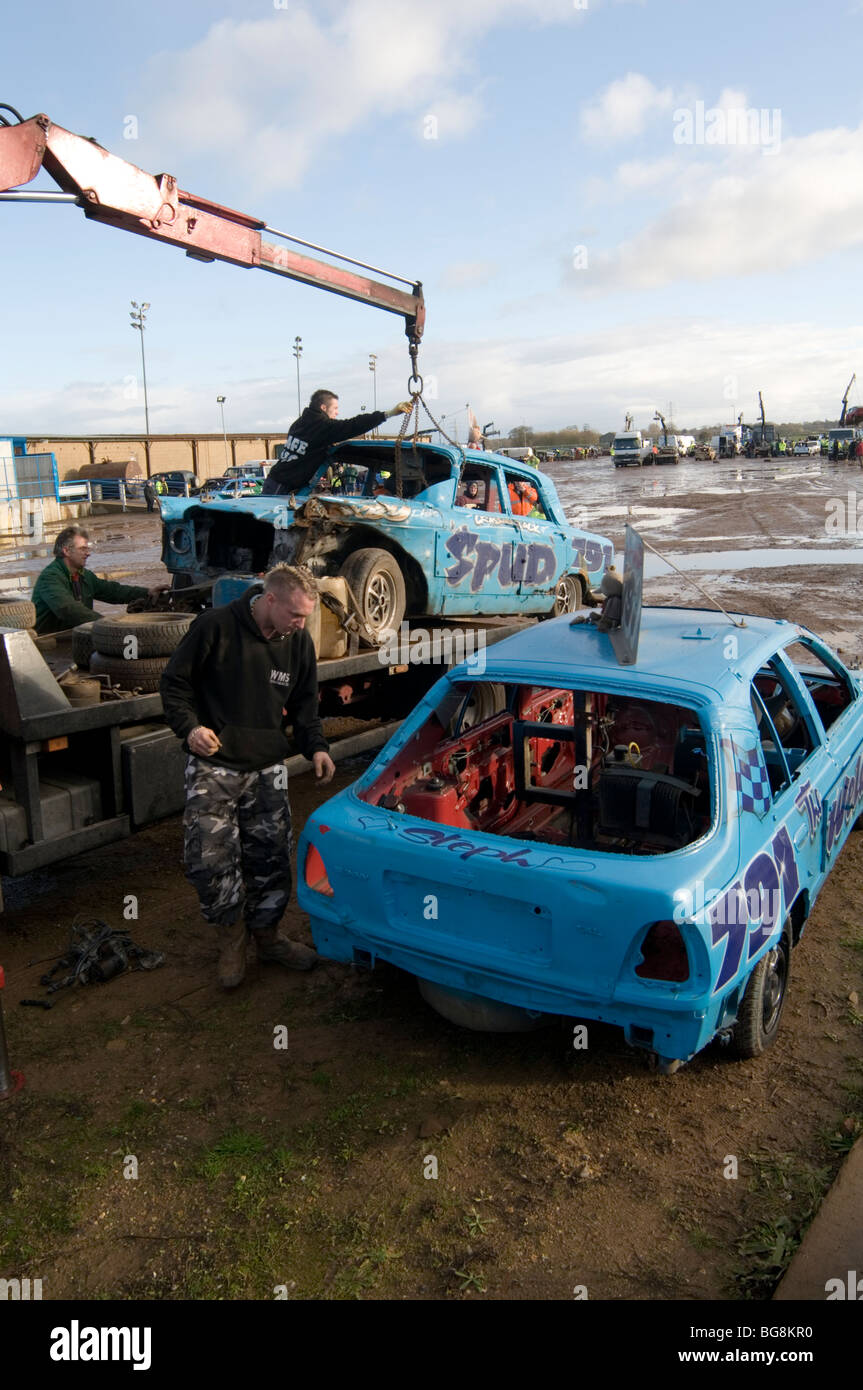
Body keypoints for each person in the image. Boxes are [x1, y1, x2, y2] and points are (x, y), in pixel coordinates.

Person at [160, 564, 337, 990]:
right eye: (295, 614)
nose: (301, 623)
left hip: (266, 770)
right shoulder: (215, 627)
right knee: (210, 860)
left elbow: (304, 706)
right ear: (269, 599)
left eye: (306, 616)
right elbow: (174, 685)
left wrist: (316, 747)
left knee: (271, 859)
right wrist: (190, 729)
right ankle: (231, 941)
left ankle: (269, 938)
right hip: (214, 766)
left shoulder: (298, 643)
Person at [261, 389, 412, 496]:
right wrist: (389, 414)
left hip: (276, 481)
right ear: (323, 407)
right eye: (335, 408)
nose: (337, 413)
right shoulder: (321, 427)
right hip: (282, 487)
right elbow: (353, 425)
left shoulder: (299, 423)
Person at [32, 525, 164, 635]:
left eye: (87, 549)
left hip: (75, 635)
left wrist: (147, 592)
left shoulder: (84, 575)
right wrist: (107, 624)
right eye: (83, 549)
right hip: (50, 642)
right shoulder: (50, 578)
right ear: (66, 551)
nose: (88, 553)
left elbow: (113, 591)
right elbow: (68, 609)